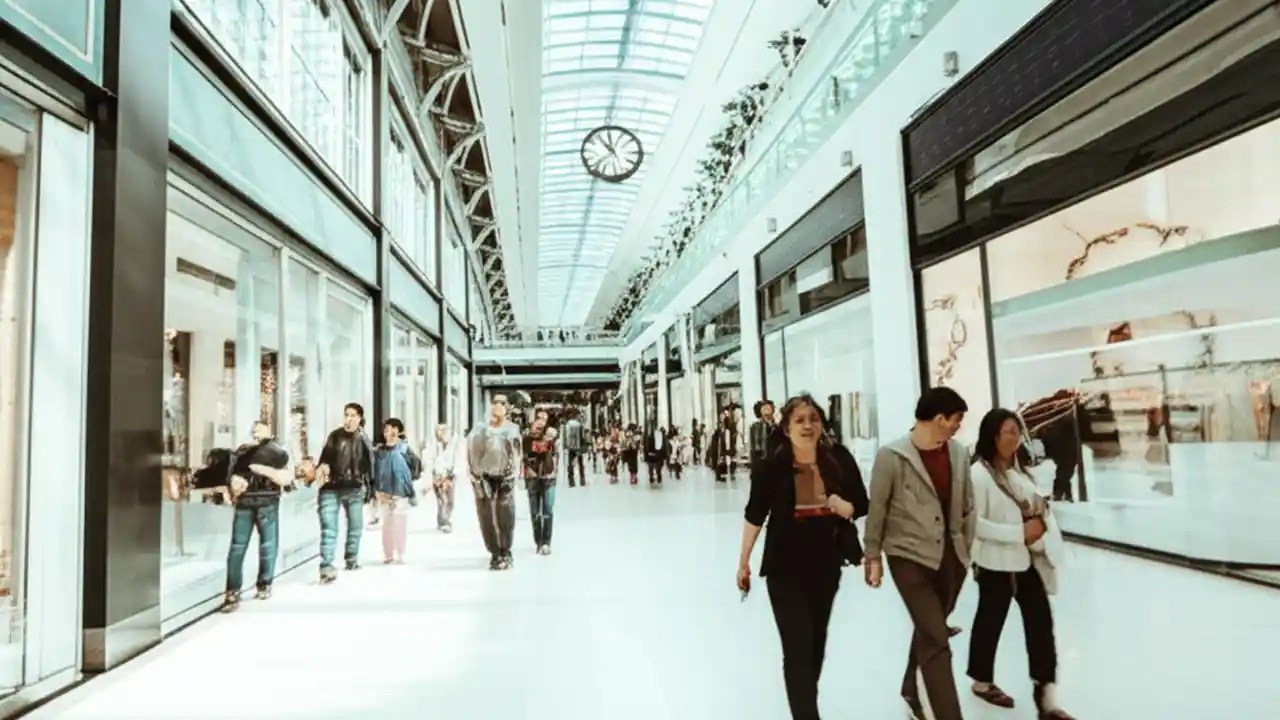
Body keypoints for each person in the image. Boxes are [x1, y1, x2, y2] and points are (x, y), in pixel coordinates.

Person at [736, 395, 869, 719]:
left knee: (815, 647)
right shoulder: (773, 465)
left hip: (826, 566)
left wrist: (845, 507)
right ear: (786, 427)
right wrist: (743, 562)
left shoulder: (837, 458)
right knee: (797, 648)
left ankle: (805, 702)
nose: (808, 425)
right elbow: (756, 514)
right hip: (784, 569)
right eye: (800, 420)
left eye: (813, 418)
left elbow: (862, 502)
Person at [863, 386, 974, 720]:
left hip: (951, 557)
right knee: (937, 639)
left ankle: (911, 688)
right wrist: (873, 557)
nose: (958, 426)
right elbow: (877, 509)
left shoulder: (957, 453)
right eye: (955, 420)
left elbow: (967, 506)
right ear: (939, 419)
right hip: (907, 556)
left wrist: (967, 552)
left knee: (930, 628)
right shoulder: (892, 457)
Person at [967, 409, 1074, 719]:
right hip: (994, 565)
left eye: (1017, 431)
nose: (1013, 437)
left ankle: (1047, 698)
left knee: (1040, 625)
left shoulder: (1019, 473)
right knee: (990, 621)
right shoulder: (979, 475)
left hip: (1025, 564)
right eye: (1006, 431)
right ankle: (982, 680)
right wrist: (1019, 533)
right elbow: (975, 525)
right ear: (992, 436)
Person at [221, 421, 293, 612]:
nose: (255, 432)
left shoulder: (277, 452)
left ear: (269, 431)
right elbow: (232, 475)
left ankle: (262, 583)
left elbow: (287, 478)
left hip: (265, 502)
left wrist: (262, 471)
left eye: (259, 429)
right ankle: (235, 589)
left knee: (265, 545)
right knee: (240, 547)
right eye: (253, 429)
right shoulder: (244, 452)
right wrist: (233, 485)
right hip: (247, 502)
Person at [314, 402, 375, 584]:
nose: (348, 419)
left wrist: (371, 490)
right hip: (331, 488)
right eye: (346, 415)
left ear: (360, 418)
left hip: (354, 488)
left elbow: (370, 467)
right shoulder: (335, 436)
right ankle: (326, 566)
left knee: (355, 527)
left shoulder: (364, 439)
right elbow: (324, 459)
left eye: (352, 415)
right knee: (329, 529)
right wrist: (322, 469)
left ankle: (351, 558)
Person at [468, 394, 522, 570]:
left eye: (502, 403)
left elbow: (516, 454)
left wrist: (513, 475)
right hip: (485, 477)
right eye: (495, 403)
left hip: (505, 478)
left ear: (508, 408)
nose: (498, 406)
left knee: (505, 515)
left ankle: (505, 551)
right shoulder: (480, 430)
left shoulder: (512, 429)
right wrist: (476, 476)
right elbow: (473, 452)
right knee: (486, 517)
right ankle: (494, 552)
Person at [374, 418, 418, 564]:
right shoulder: (379, 451)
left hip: (401, 492)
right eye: (386, 429)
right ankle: (388, 554)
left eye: (394, 429)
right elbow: (374, 470)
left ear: (399, 431)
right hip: (384, 492)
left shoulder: (405, 449)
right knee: (387, 523)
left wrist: (407, 480)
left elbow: (416, 465)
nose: (390, 432)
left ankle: (401, 552)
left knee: (400, 522)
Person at [523, 409, 559, 555]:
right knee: (535, 512)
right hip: (532, 478)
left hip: (549, 478)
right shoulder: (527, 438)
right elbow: (525, 455)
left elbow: (553, 458)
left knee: (548, 511)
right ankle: (538, 541)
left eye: (544, 419)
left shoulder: (552, 438)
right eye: (538, 418)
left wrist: (549, 440)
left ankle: (546, 542)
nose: (541, 422)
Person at [429, 423, 461, 533]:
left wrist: (454, 472)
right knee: (442, 500)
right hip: (438, 476)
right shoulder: (434, 446)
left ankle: (441, 520)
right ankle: (445, 522)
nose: (443, 435)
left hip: (449, 476)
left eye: (445, 432)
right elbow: (431, 460)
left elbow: (457, 459)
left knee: (451, 502)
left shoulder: (453, 445)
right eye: (441, 433)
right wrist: (436, 475)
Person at [748, 399, 778, 473]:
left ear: (773, 410)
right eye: (764, 408)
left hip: (775, 463)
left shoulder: (777, 427)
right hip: (759, 463)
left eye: (768, 408)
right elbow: (752, 447)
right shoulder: (754, 427)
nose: (766, 410)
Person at [562, 408, 588, 487]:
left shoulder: (567, 425)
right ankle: (582, 480)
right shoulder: (579, 425)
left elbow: (565, 437)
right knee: (580, 464)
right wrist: (583, 446)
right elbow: (582, 436)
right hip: (578, 446)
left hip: (570, 448)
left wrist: (565, 446)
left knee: (570, 465)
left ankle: (571, 481)